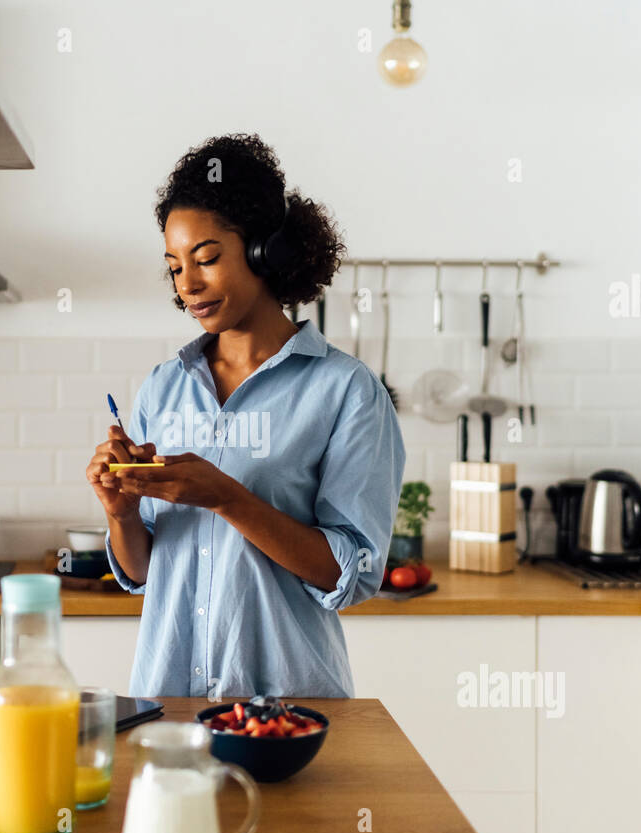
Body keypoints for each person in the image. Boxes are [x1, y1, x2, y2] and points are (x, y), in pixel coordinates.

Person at [85, 132, 405, 698]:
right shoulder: (164, 387)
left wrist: (226, 496)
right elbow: (141, 575)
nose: (189, 285)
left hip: (289, 707)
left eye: (207, 259)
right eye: (175, 267)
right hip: (168, 706)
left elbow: (348, 575)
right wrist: (124, 513)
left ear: (265, 252)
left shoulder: (346, 391)